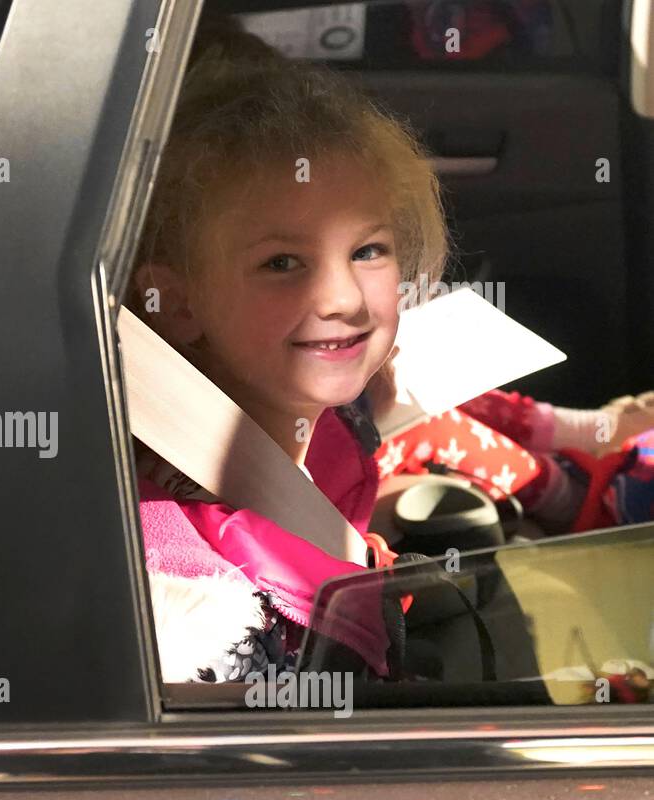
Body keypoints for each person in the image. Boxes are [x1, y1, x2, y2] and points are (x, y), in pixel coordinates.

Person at [132, 29, 654, 685]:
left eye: (368, 251)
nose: (343, 297)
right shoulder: (201, 611)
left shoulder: (338, 410)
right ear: (178, 302)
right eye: (282, 263)